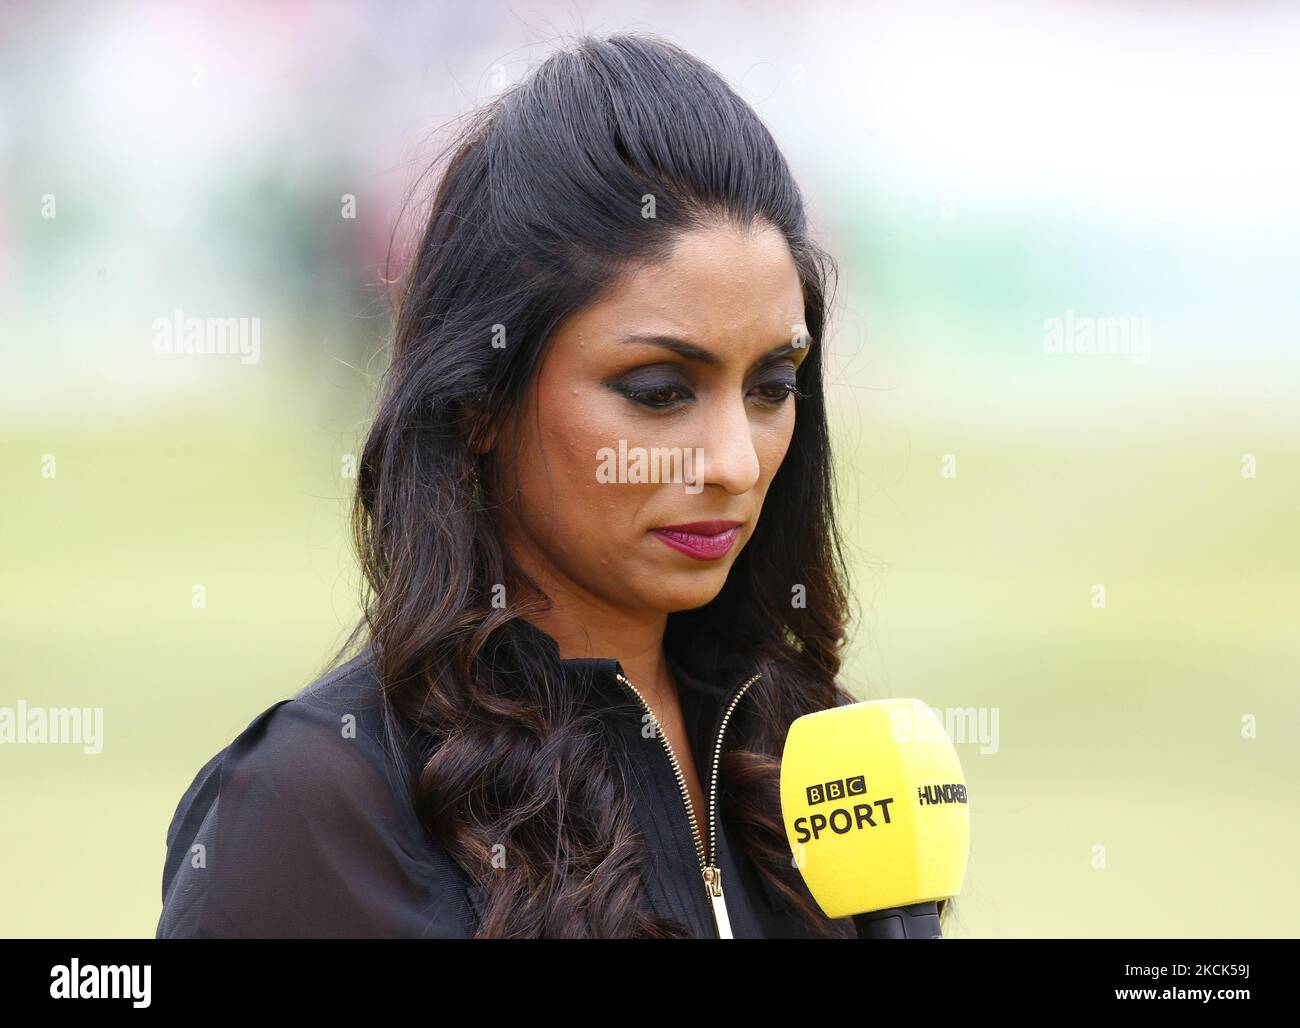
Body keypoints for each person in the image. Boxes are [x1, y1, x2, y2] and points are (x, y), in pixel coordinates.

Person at [157, 31, 879, 938]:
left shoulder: (814, 761)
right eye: (658, 393)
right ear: (481, 401)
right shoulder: (316, 806)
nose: (733, 462)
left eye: (771, 387)